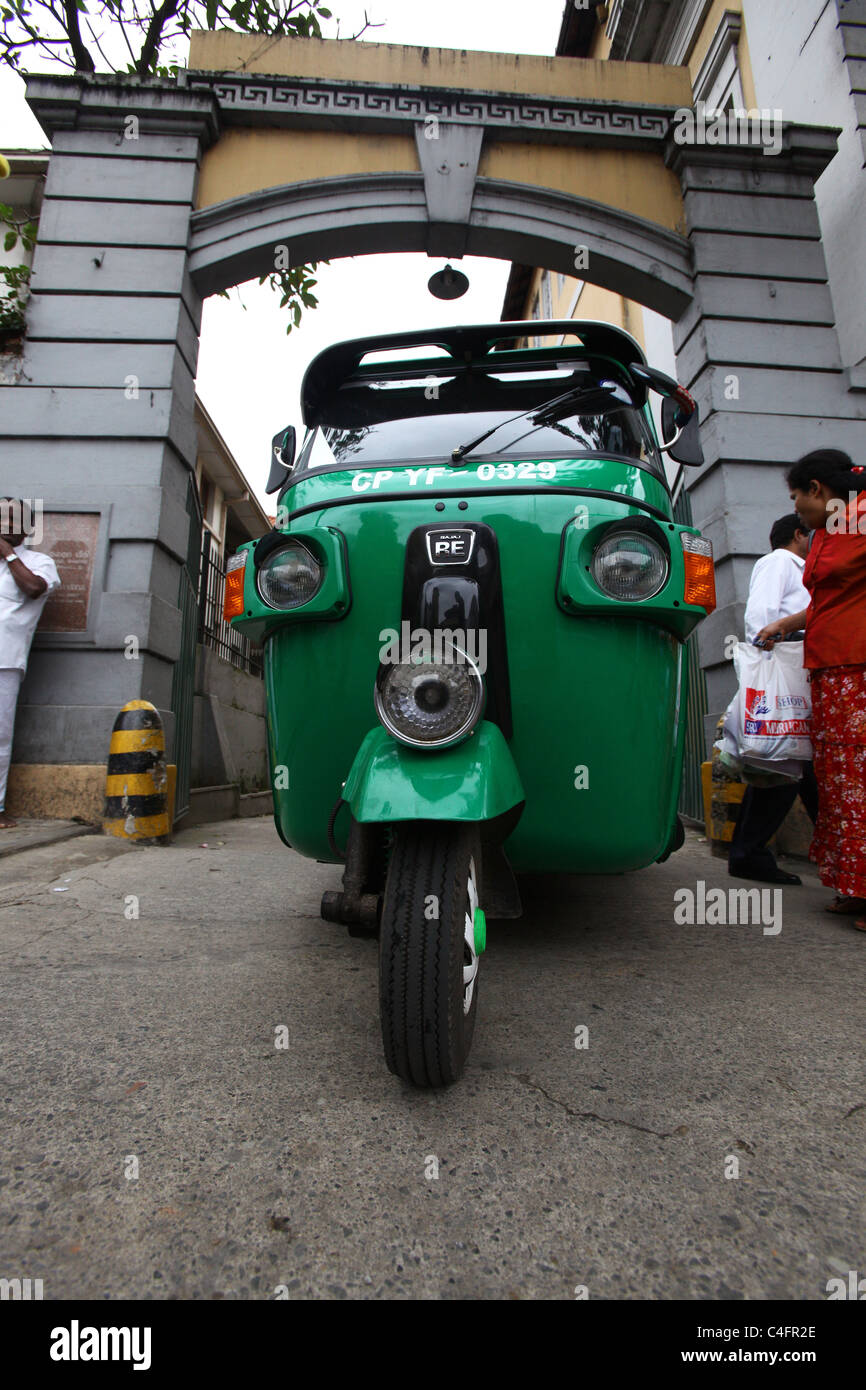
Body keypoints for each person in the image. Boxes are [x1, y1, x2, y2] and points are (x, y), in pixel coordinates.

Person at [754, 450, 866, 931]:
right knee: (840, 779)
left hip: (856, 664)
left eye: (799, 501)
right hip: (830, 665)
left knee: (857, 778)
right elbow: (828, 597)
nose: (797, 510)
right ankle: (856, 887)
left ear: (819, 490)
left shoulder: (857, 516)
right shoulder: (830, 529)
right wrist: (787, 623)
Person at [728, 513, 818, 884]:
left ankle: (747, 852)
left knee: (788, 766)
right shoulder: (780, 561)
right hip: (787, 669)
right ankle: (748, 853)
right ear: (799, 535)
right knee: (787, 765)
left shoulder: (796, 565)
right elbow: (761, 617)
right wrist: (767, 663)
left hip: (793, 669)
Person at [0, 500, 61, 829]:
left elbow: (34, 589)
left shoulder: (40, 562)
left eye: (12, 519)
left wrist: (7, 554)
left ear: (25, 527)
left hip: (4, 661)